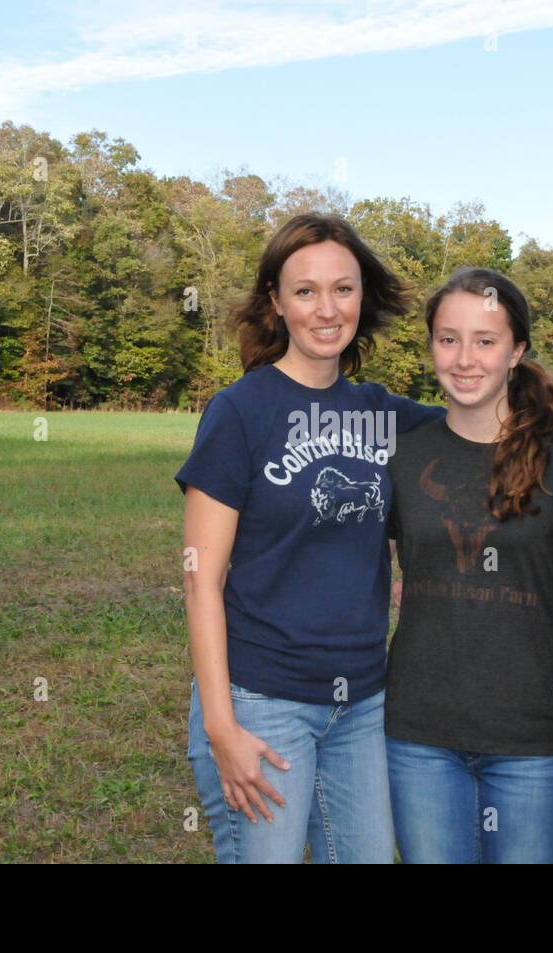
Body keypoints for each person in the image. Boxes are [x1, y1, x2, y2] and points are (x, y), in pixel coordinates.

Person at [176, 212, 444, 864]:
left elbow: (489, 416)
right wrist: (221, 726)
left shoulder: (383, 413)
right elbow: (199, 579)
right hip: (259, 702)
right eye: (305, 291)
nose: (327, 309)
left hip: (360, 706)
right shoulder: (239, 411)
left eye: (343, 289)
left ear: (363, 296)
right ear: (276, 300)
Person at [384, 267, 553, 863]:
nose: (465, 359)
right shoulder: (403, 455)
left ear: (516, 351)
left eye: (485, 341)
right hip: (419, 734)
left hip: (533, 738)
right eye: (448, 339)